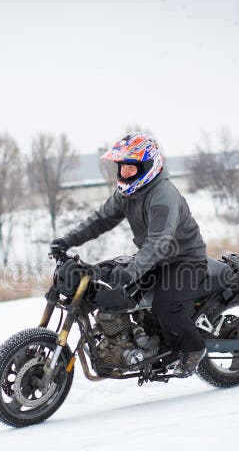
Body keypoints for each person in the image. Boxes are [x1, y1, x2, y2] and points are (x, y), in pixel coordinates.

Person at [50, 132, 209, 377]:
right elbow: (100, 220)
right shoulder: (128, 193)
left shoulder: (163, 194)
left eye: (130, 168)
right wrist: (67, 241)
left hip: (184, 260)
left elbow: (158, 242)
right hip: (153, 259)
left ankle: (194, 348)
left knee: (166, 307)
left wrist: (132, 272)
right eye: (122, 167)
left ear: (147, 166)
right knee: (104, 278)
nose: (124, 173)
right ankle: (126, 340)